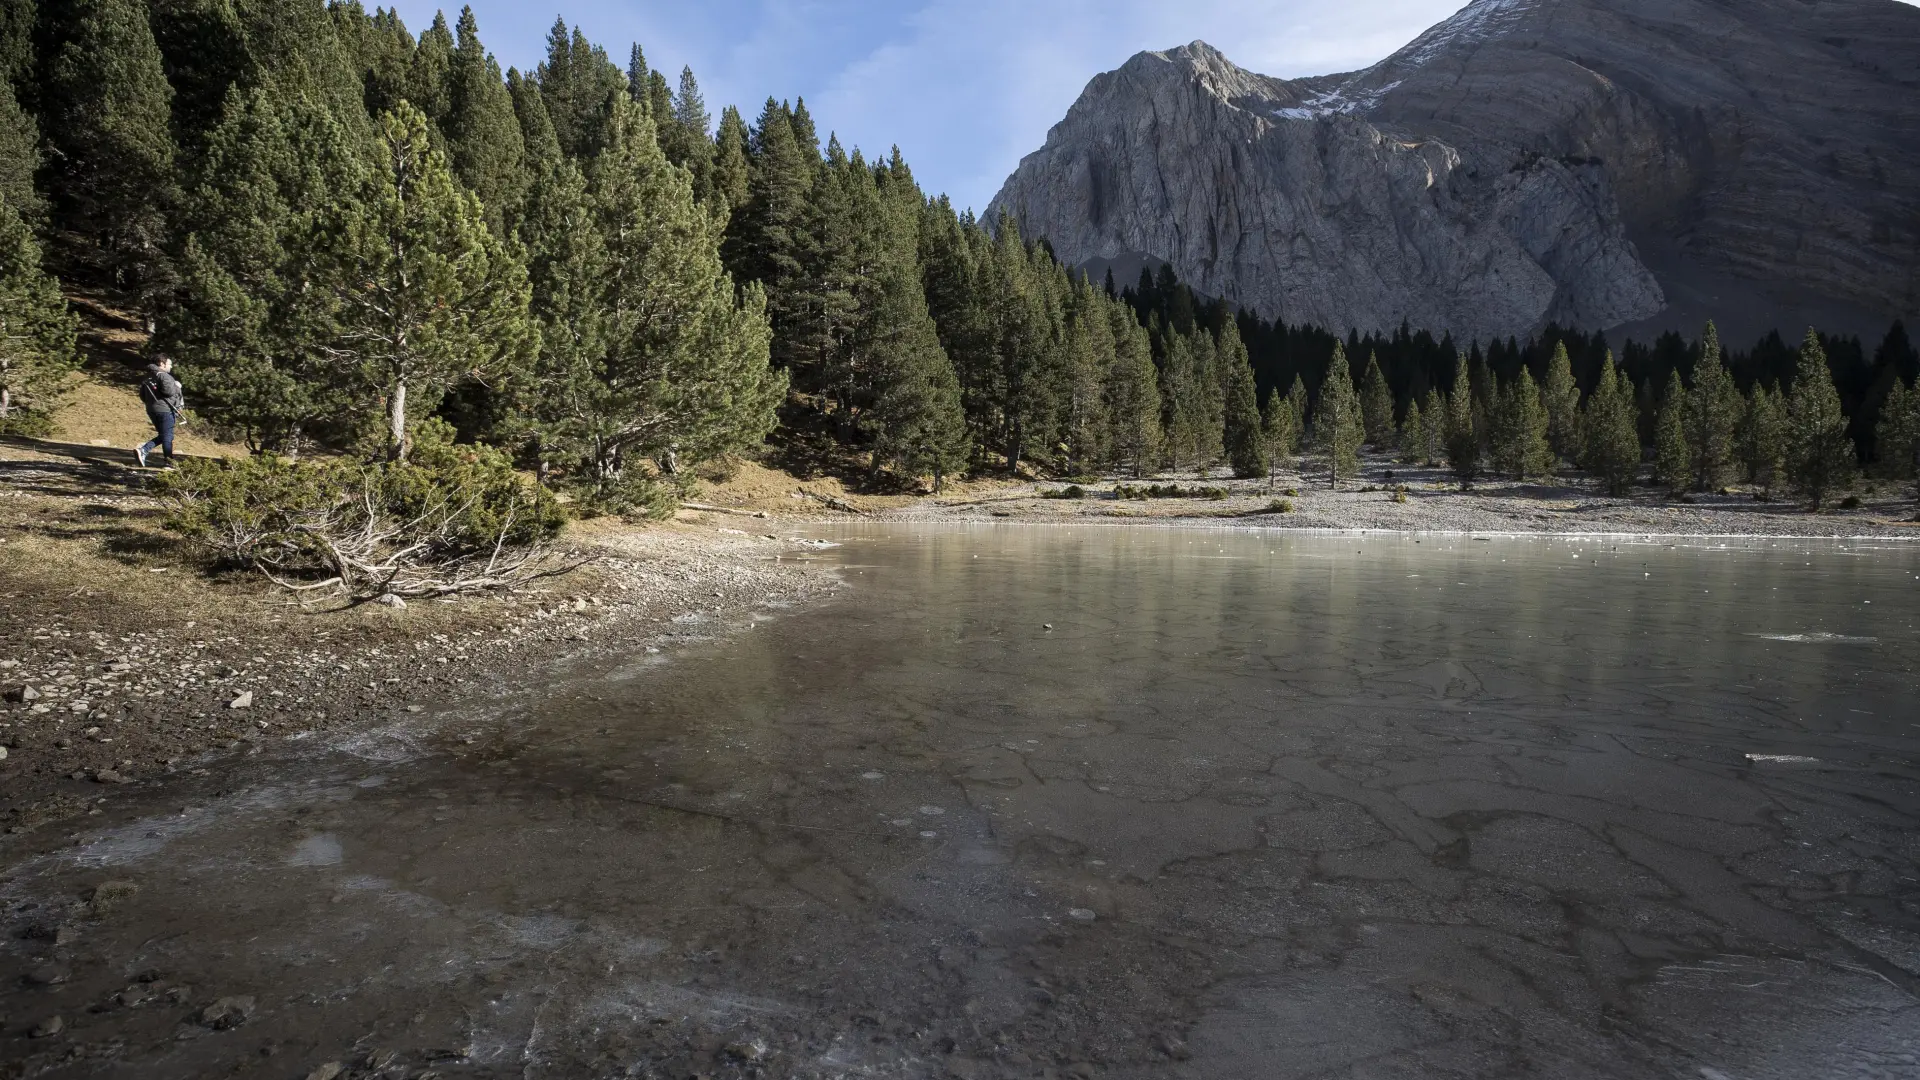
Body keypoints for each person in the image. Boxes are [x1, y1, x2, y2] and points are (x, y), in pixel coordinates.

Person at [135, 354, 184, 468]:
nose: (171, 367)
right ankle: (168, 462)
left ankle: (143, 451)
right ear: (162, 364)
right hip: (165, 410)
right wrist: (177, 386)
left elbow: (142, 396)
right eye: (169, 364)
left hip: (151, 409)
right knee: (167, 436)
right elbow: (169, 392)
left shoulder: (147, 377)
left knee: (164, 435)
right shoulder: (164, 376)